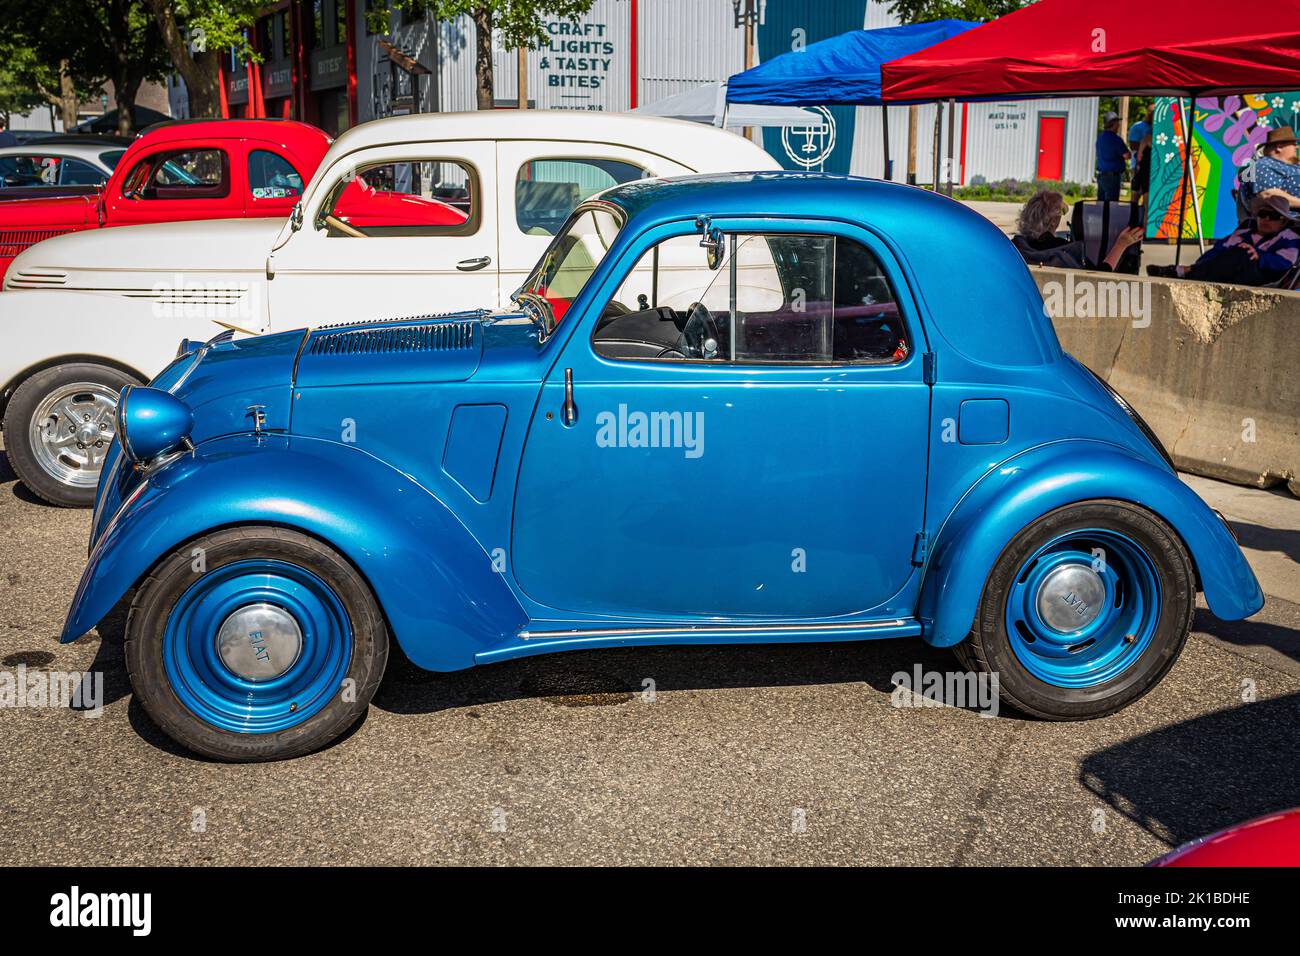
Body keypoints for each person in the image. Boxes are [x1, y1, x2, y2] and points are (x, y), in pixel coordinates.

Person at [1148, 194, 1299, 286]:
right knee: (1233, 252)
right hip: (1230, 274)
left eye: (1273, 216)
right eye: (1262, 214)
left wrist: (1259, 256)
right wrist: (1200, 265)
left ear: (1284, 221)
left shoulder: (1289, 237)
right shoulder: (1243, 232)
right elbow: (1217, 252)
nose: (1266, 219)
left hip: (1262, 276)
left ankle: (1184, 271)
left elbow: (1285, 262)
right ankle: (1189, 271)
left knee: (1243, 252)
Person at [1012, 187, 1143, 271]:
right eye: (1061, 212)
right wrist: (1121, 244)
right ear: (1053, 222)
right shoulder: (1065, 250)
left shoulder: (1016, 246)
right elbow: (1100, 277)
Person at [1241, 126, 1300, 218]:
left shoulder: (1290, 166)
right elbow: (1269, 195)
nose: (1296, 147)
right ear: (1279, 147)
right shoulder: (1264, 165)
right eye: (1293, 144)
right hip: (1287, 222)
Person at [1095, 113, 1130, 202]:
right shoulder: (1115, 139)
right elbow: (1126, 155)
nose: (1118, 125)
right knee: (1111, 205)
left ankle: (1100, 216)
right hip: (1112, 177)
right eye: (1117, 123)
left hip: (1101, 176)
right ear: (1112, 124)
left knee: (1101, 204)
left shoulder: (1100, 138)